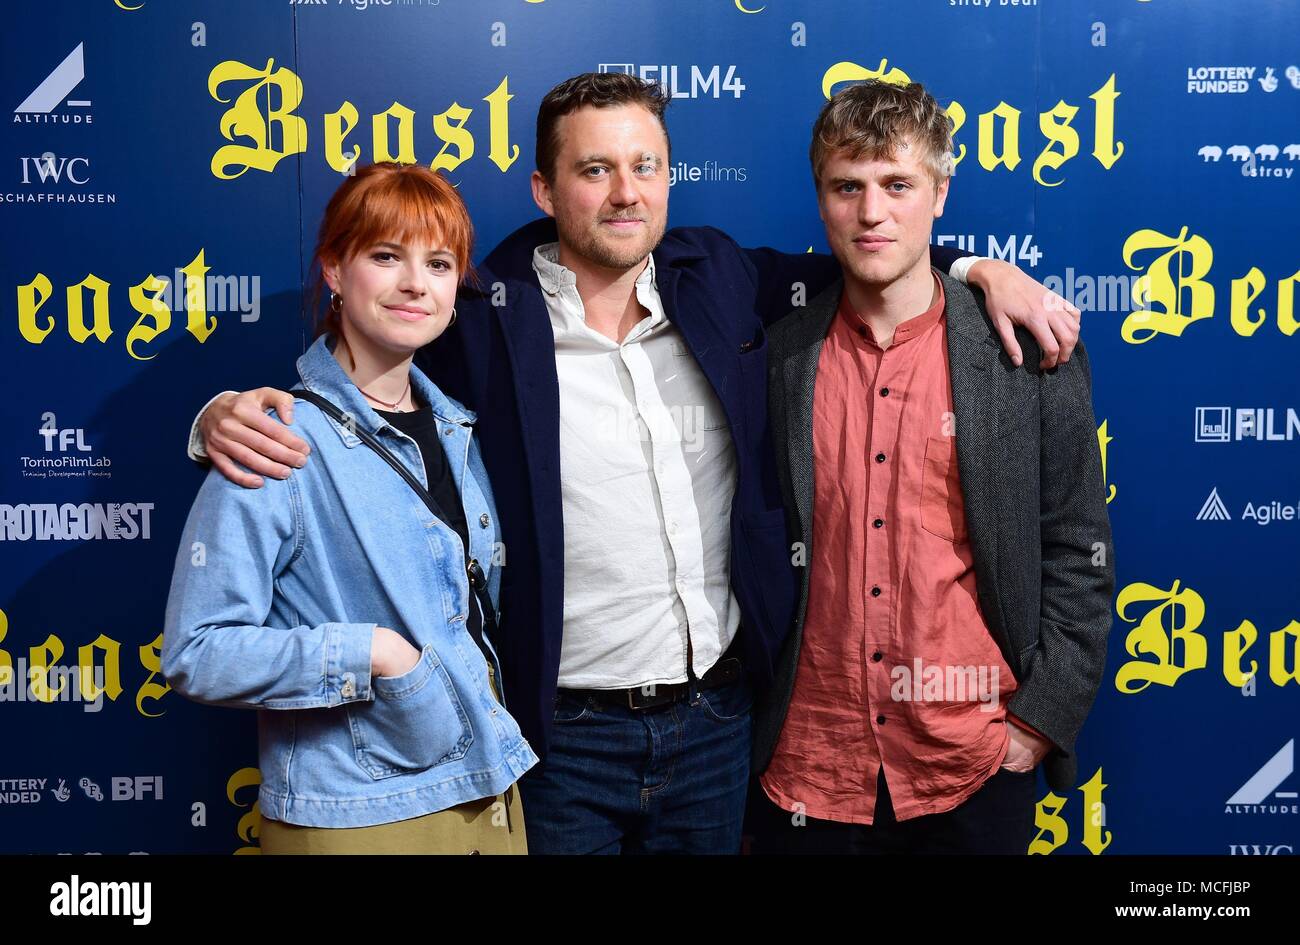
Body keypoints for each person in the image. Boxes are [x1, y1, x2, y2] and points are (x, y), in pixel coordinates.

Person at [183, 73, 1081, 855]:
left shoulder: (718, 278)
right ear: (544, 187)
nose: (625, 193)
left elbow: (874, 251)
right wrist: (218, 414)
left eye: (645, 166)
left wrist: (979, 269)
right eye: (594, 169)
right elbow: (375, 346)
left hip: (720, 726)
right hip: (562, 738)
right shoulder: (486, 312)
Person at [749, 80, 1114, 854]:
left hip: (971, 765)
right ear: (821, 200)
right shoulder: (778, 355)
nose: (872, 212)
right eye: (848, 187)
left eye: (898, 185)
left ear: (941, 193)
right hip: (808, 766)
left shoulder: (1028, 352)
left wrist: (1036, 723)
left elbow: (1079, 552)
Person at [162, 162, 536, 854]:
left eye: (439, 262)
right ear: (335, 270)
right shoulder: (277, 436)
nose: (415, 283)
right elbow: (197, 650)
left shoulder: (458, 429)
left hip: (489, 793)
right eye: (386, 256)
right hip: (357, 814)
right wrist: (372, 652)